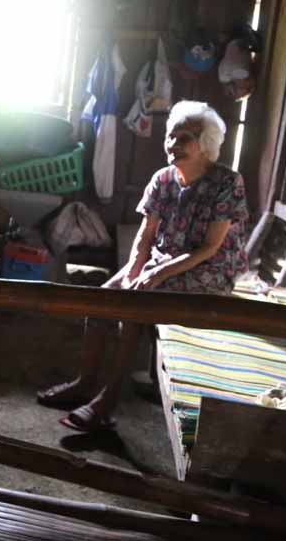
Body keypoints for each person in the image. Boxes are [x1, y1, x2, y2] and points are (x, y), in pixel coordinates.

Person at [37, 100, 249, 432]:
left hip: (208, 270)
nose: (173, 145)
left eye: (185, 138)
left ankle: (107, 402)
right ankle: (84, 383)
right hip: (161, 263)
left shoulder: (227, 183)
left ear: (206, 145)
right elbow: (146, 233)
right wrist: (136, 268)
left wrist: (156, 273)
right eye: (172, 137)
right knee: (105, 297)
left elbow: (210, 247)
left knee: (135, 306)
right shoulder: (163, 179)